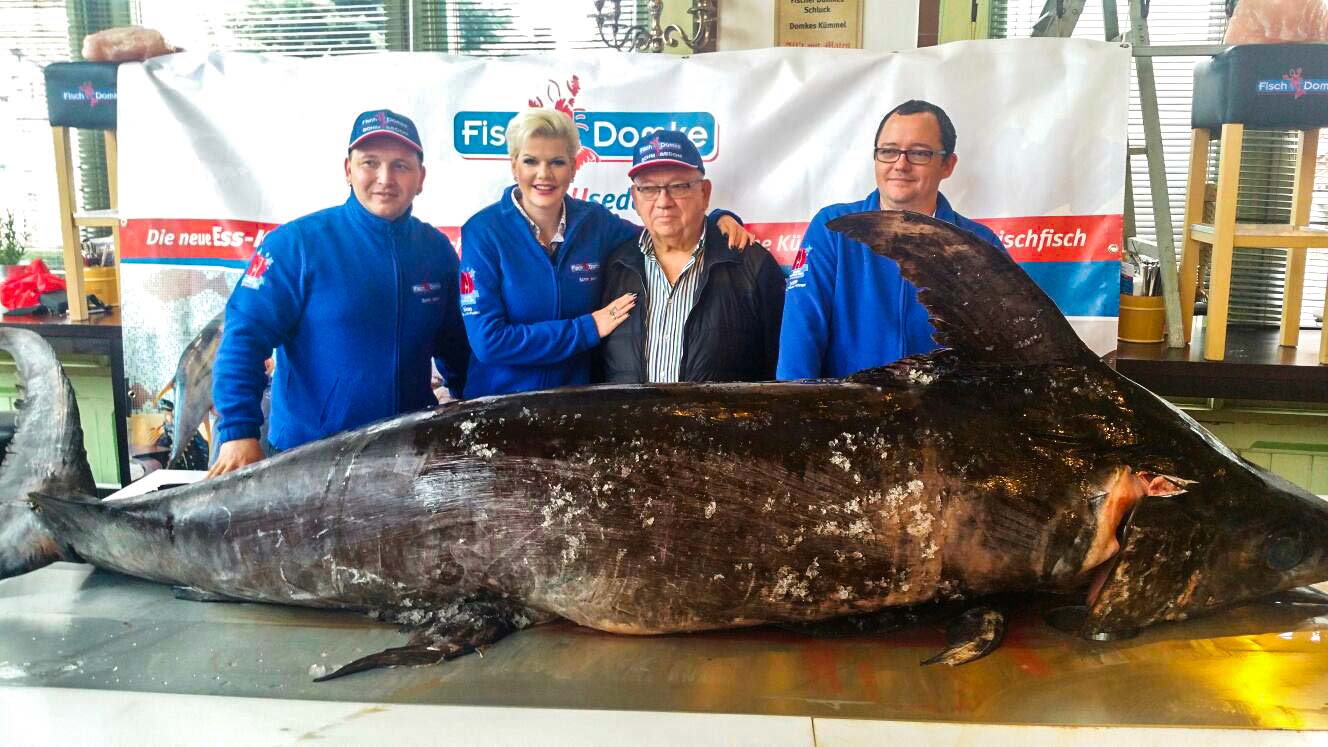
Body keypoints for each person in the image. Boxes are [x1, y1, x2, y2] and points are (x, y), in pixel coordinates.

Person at [209, 109, 469, 476]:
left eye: (400, 166)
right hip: (307, 461)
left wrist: (480, 405)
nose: (385, 179)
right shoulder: (295, 245)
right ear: (348, 170)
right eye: (370, 163)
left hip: (408, 458)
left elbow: (457, 348)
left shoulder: (435, 250)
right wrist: (237, 431)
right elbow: (244, 338)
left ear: (421, 177)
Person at [459, 109, 751, 398]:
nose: (544, 174)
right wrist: (589, 327)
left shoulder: (595, 222)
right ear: (514, 166)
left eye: (557, 162)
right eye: (531, 161)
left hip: (572, 410)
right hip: (498, 409)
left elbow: (659, 229)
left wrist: (714, 220)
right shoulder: (483, 232)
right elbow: (489, 341)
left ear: (573, 168)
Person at [777, 99, 1007, 380]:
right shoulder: (833, 229)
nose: (901, 164)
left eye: (919, 153)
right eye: (888, 151)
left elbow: (1003, 355)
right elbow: (801, 333)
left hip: (944, 420)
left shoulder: (980, 245)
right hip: (849, 417)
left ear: (948, 164)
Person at [599, 130, 785, 383]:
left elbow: (781, 372)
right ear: (634, 198)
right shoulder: (616, 267)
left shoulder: (752, 266)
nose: (663, 201)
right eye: (649, 189)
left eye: (678, 186)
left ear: (704, 193)